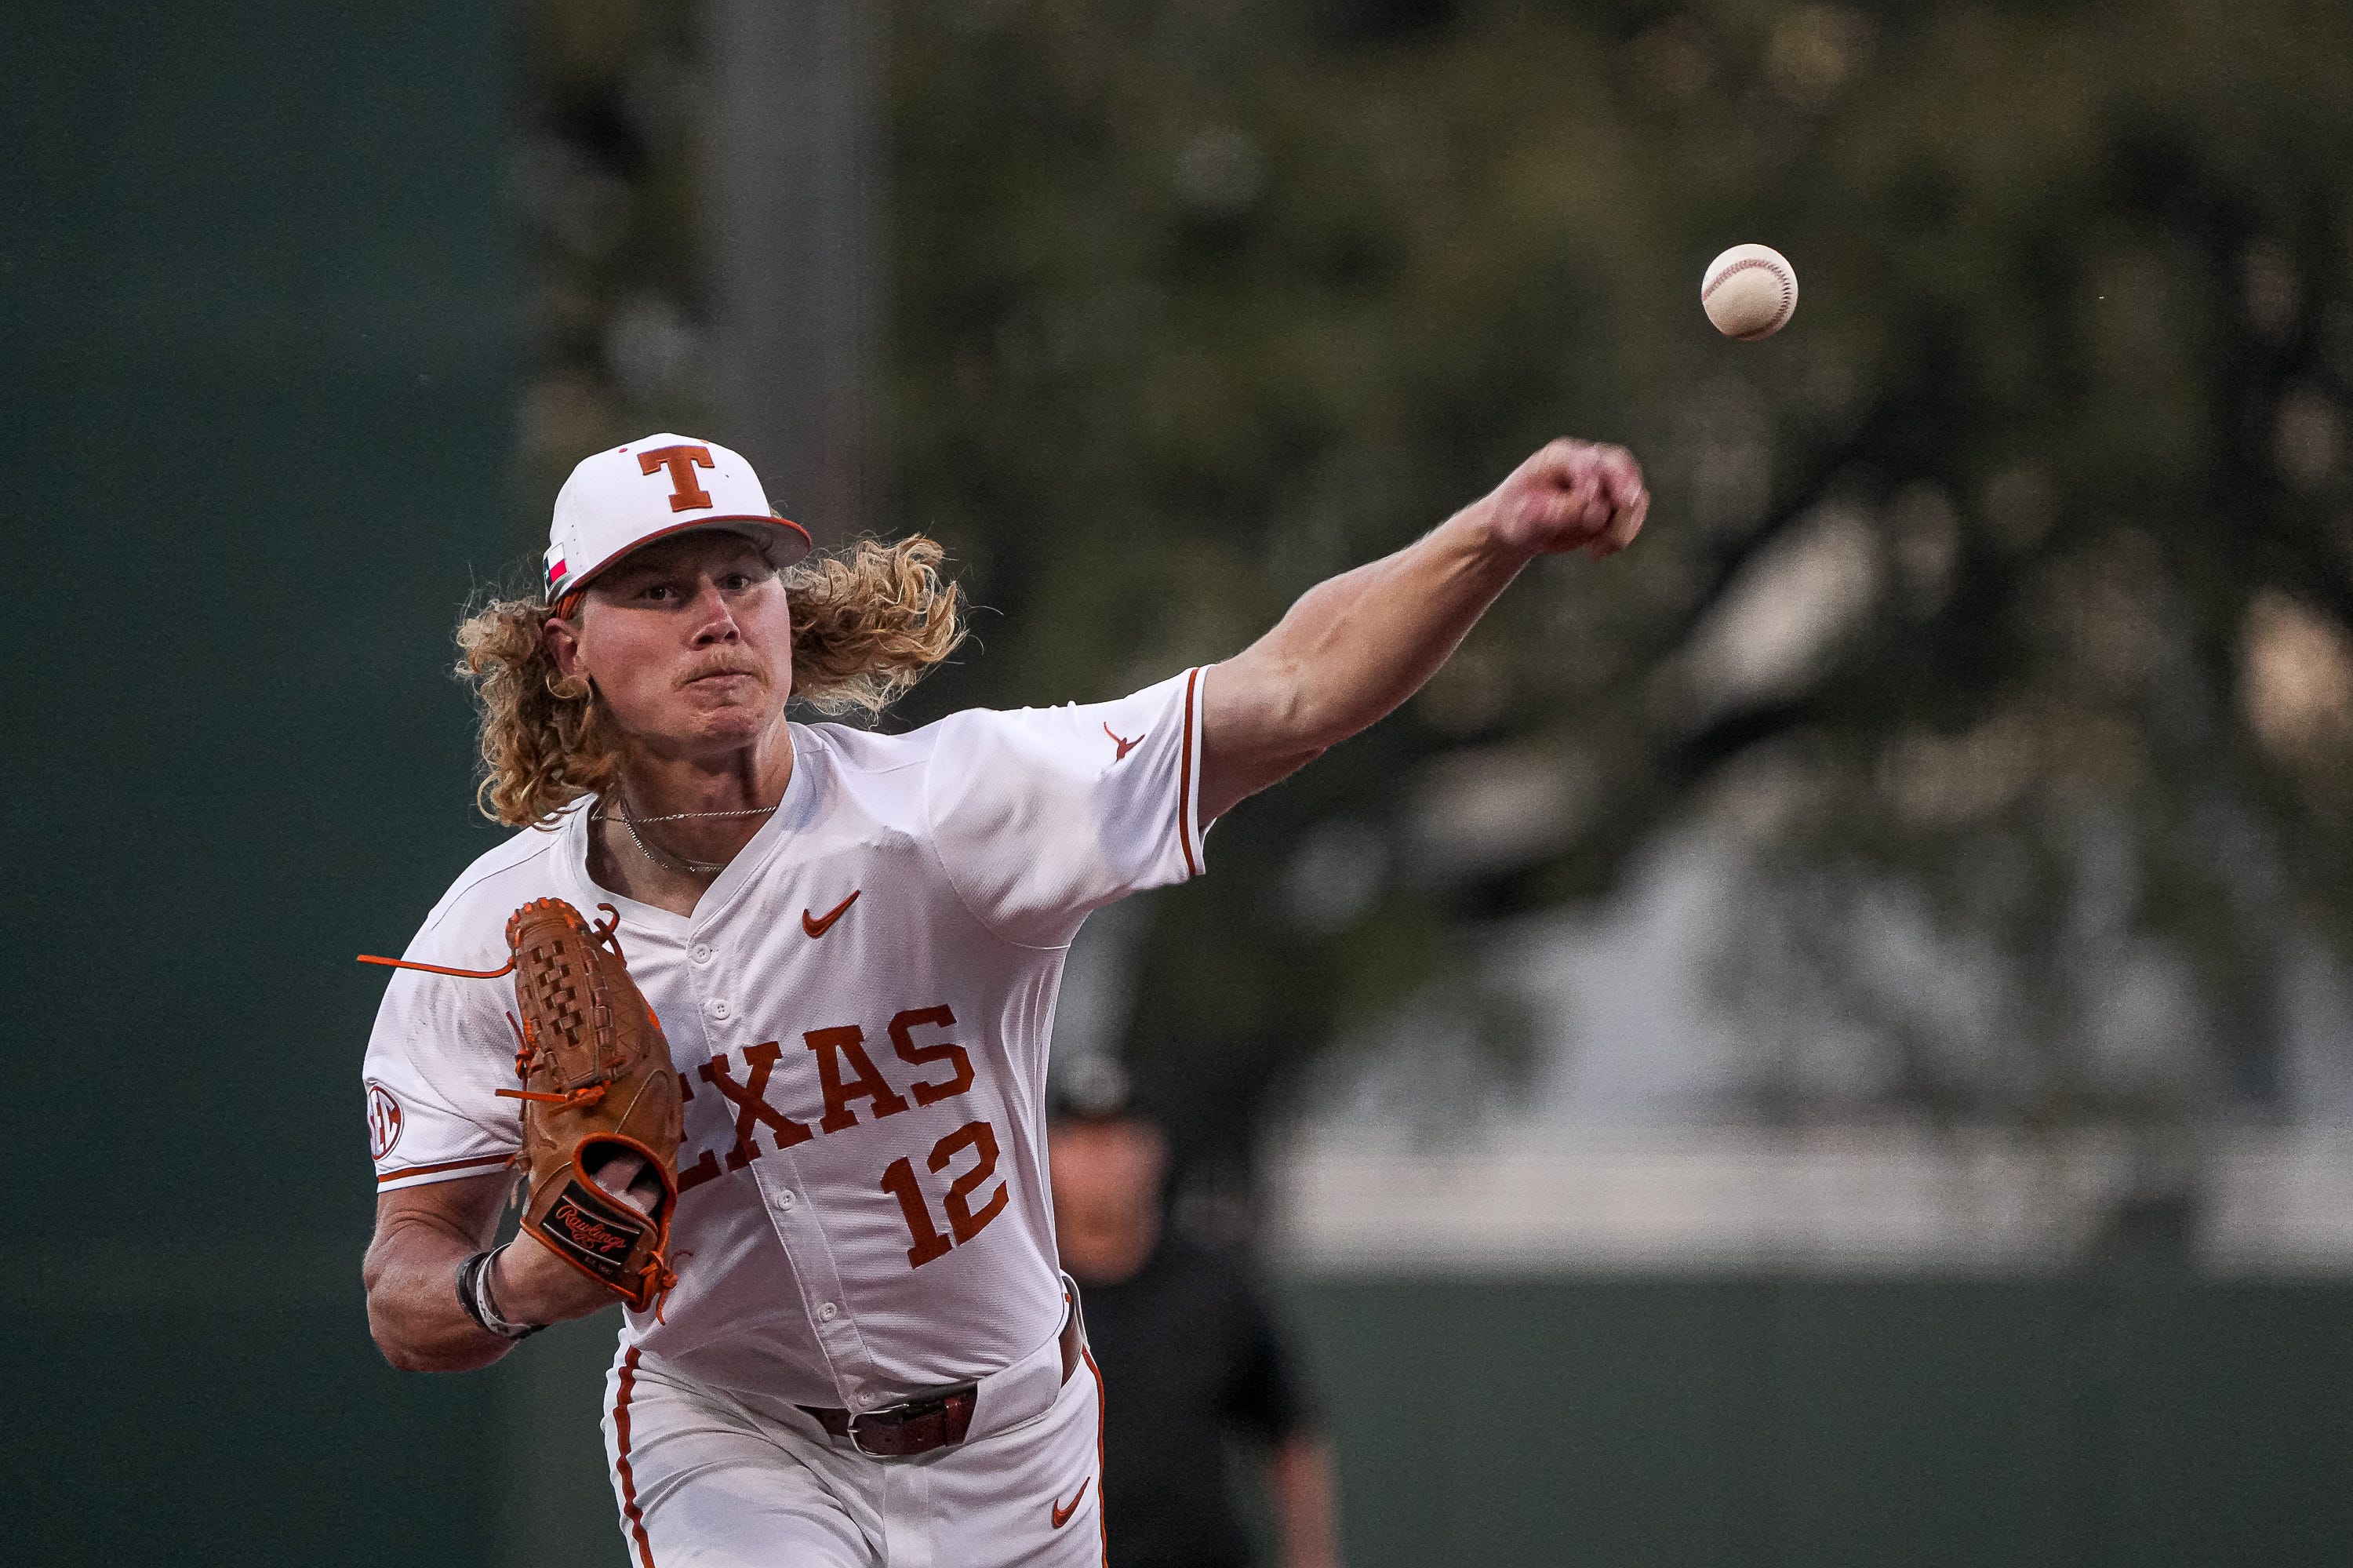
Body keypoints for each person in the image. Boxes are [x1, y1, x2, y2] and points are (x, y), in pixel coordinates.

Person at [358, 431, 1646, 1568]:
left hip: (1010, 1442)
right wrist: (512, 1288)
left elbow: (1291, 692)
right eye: (658, 588)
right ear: (565, 644)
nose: (716, 614)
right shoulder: (492, 933)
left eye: (743, 577)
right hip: (735, 1438)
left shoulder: (943, 816)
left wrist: (1490, 537)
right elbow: (403, 1281)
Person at [1049, 1062, 1341, 1568]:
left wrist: (1312, 1553)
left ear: (1154, 1152)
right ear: (1048, 1154)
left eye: (1120, 1138)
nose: (1103, 1161)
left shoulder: (1214, 1285)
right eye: (1083, 1141)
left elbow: (1290, 1429)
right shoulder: (1022, 1297)